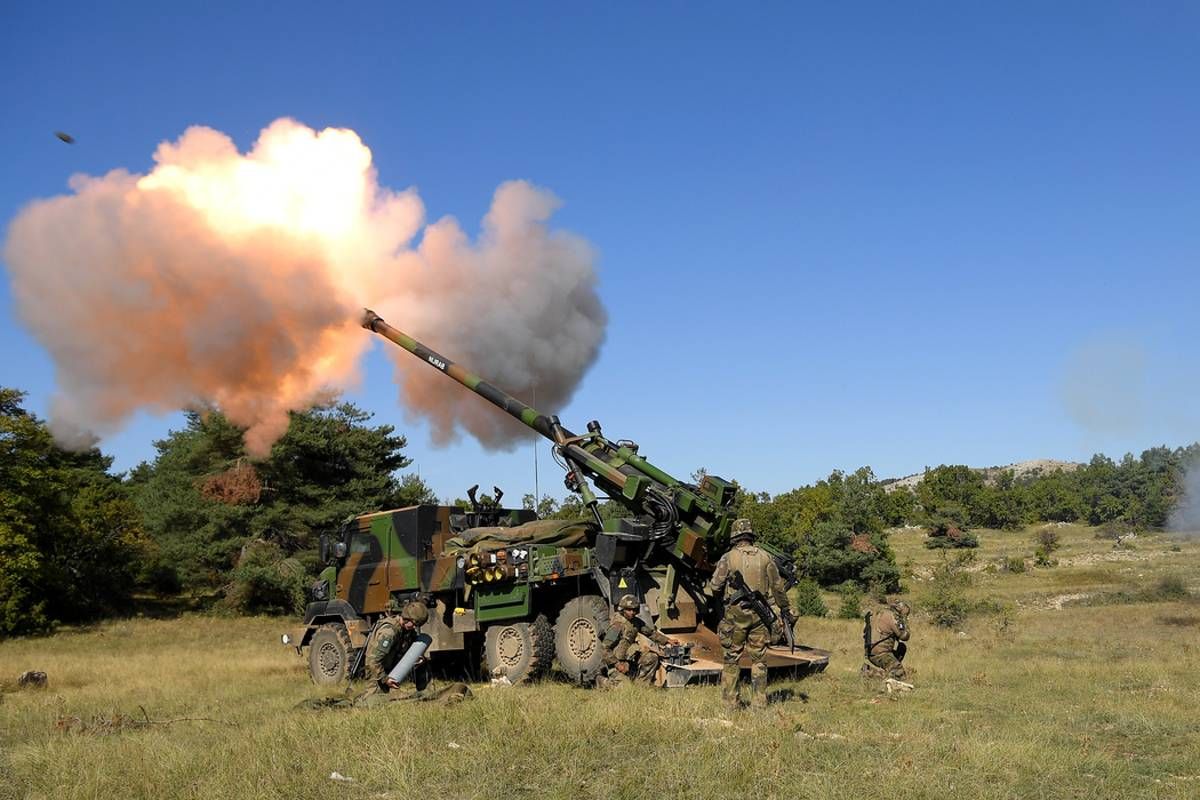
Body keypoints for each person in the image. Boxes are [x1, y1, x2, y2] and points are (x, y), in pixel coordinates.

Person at [706, 518, 795, 710]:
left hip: (735, 615)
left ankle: (730, 704)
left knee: (731, 658)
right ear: (750, 535)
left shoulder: (728, 557)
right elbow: (778, 587)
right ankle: (759, 703)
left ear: (734, 536)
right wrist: (785, 609)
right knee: (759, 659)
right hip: (760, 615)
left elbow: (715, 585)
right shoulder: (765, 557)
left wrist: (722, 601)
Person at [358, 599, 432, 705]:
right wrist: (385, 679)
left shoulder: (407, 630)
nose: (415, 627)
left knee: (424, 664)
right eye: (415, 624)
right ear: (406, 618)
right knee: (373, 703)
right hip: (378, 672)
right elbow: (373, 661)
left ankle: (426, 695)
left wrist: (419, 658)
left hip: (394, 667)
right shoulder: (389, 632)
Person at [599, 594, 675, 686]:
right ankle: (602, 681)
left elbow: (650, 633)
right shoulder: (617, 625)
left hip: (629, 660)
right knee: (624, 688)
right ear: (622, 609)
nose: (632, 612)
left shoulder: (636, 622)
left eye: (634, 610)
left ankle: (642, 685)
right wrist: (617, 664)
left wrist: (667, 640)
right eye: (629, 610)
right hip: (616, 664)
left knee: (652, 658)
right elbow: (604, 648)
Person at [864, 599, 911, 680]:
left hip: (871, 652)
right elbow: (904, 636)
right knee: (899, 675)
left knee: (902, 648)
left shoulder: (879, 613)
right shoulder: (892, 616)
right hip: (881, 654)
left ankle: (885, 670)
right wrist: (904, 619)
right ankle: (868, 672)